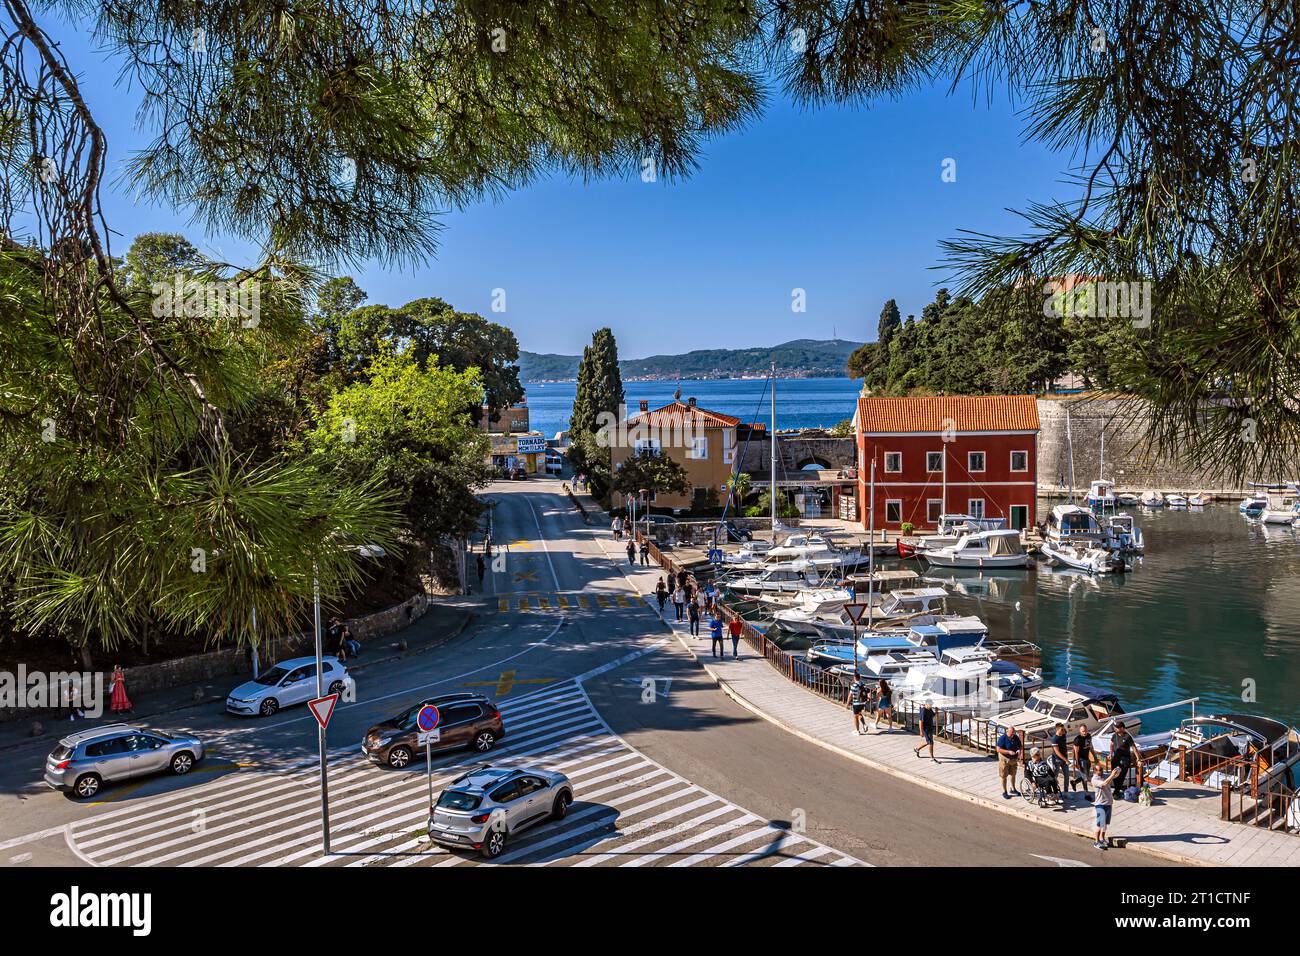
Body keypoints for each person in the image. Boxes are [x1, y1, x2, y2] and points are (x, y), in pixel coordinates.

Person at [1091, 762, 1123, 849]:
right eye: (1099, 770)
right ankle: (1096, 841)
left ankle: (1102, 839)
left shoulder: (1104, 775)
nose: (1101, 771)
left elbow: (1115, 776)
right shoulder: (1094, 779)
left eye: (1101, 769)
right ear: (1094, 771)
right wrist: (1112, 775)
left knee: (1105, 824)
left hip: (1108, 803)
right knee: (1099, 824)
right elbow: (1104, 783)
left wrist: (1118, 770)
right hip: (1100, 804)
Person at [1110, 722, 1141, 798]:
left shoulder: (1127, 737)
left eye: (1117, 727)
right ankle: (1116, 791)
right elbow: (1111, 744)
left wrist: (1138, 759)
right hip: (1115, 759)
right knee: (1114, 775)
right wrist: (1110, 753)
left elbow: (1134, 747)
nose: (1116, 729)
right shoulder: (1114, 736)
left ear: (1122, 728)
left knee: (1121, 776)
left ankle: (1116, 792)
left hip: (1125, 760)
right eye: (1115, 727)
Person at [996, 725, 1023, 798]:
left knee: (1013, 774)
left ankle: (1013, 789)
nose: (1011, 735)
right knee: (1004, 776)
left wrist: (1020, 752)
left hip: (1014, 759)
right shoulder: (1002, 738)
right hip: (1004, 758)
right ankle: (1004, 791)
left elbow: (1020, 746)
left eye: (1013, 734)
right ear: (1007, 731)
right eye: (1010, 734)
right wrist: (1008, 752)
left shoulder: (1015, 737)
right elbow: (998, 749)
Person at [1050, 722, 1072, 802]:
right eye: (1062, 730)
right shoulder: (1054, 739)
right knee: (1055, 776)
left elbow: (1064, 745)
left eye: (1064, 729)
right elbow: (1057, 752)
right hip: (1057, 760)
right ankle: (1054, 792)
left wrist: (1066, 754)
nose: (1064, 731)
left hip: (1064, 759)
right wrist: (1066, 760)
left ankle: (1066, 792)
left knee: (1067, 775)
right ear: (1058, 729)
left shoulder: (1064, 735)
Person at [1074, 724, 1095, 800]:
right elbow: (1076, 752)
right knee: (1085, 777)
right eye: (1083, 731)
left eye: (1086, 730)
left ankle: (1075, 782)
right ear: (1080, 731)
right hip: (1081, 759)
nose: (1085, 732)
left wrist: (1095, 757)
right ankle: (1086, 794)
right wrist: (1077, 763)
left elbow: (1091, 747)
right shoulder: (1077, 740)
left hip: (1087, 758)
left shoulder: (1089, 736)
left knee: (1086, 776)